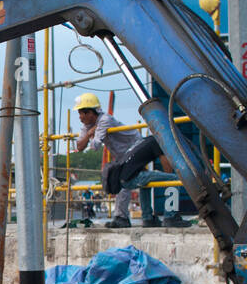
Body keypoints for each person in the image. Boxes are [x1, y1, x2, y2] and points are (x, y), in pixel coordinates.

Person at [74, 91, 186, 228]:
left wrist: (91, 134)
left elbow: (91, 145)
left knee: (144, 182)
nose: (80, 117)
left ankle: (145, 217)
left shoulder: (105, 121)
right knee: (173, 179)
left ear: (91, 112)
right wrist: (171, 177)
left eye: (81, 113)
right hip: (126, 158)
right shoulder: (156, 141)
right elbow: (89, 146)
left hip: (128, 155)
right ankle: (170, 217)